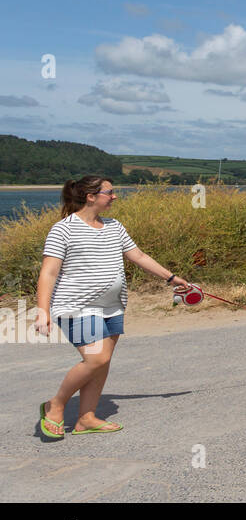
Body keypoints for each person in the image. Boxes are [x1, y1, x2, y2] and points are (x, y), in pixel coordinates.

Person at [34, 176, 189, 438]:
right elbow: (48, 272)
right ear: (91, 196)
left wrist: (171, 278)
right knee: (97, 358)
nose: (115, 196)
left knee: (101, 364)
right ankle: (56, 405)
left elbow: (138, 256)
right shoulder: (63, 229)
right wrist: (43, 311)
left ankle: (86, 418)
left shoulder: (114, 227)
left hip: (112, 307)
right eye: (110, 192)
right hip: (76, 307)